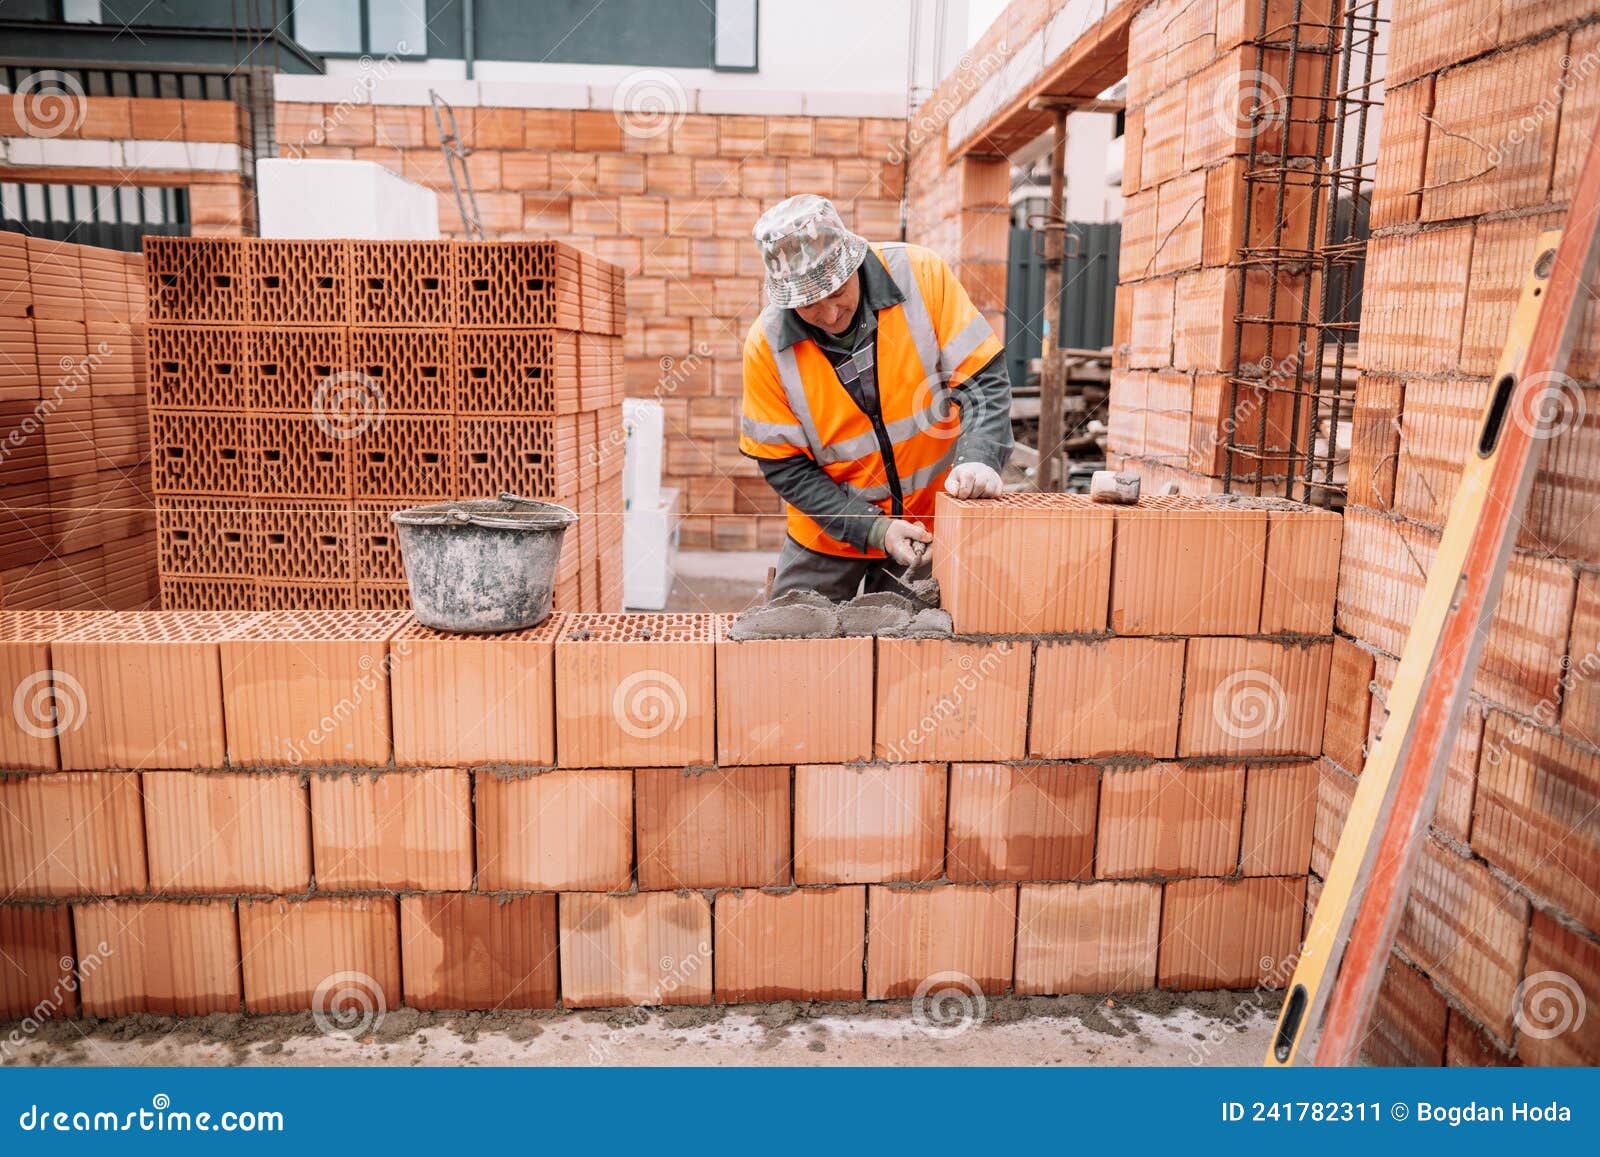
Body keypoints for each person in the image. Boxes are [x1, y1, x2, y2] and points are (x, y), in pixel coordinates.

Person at [739, 194, 1013, 601]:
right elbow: (785, 468)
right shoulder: (767, 347)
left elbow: (983, 381)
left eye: (835, 291)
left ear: (854, 262)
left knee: (917, 650)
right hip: (829, 527)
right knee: (791, 642)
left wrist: (981, 457)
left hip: (927, 524)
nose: (830, 314)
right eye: (809, 304)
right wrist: (873, 529)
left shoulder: (922, 276)